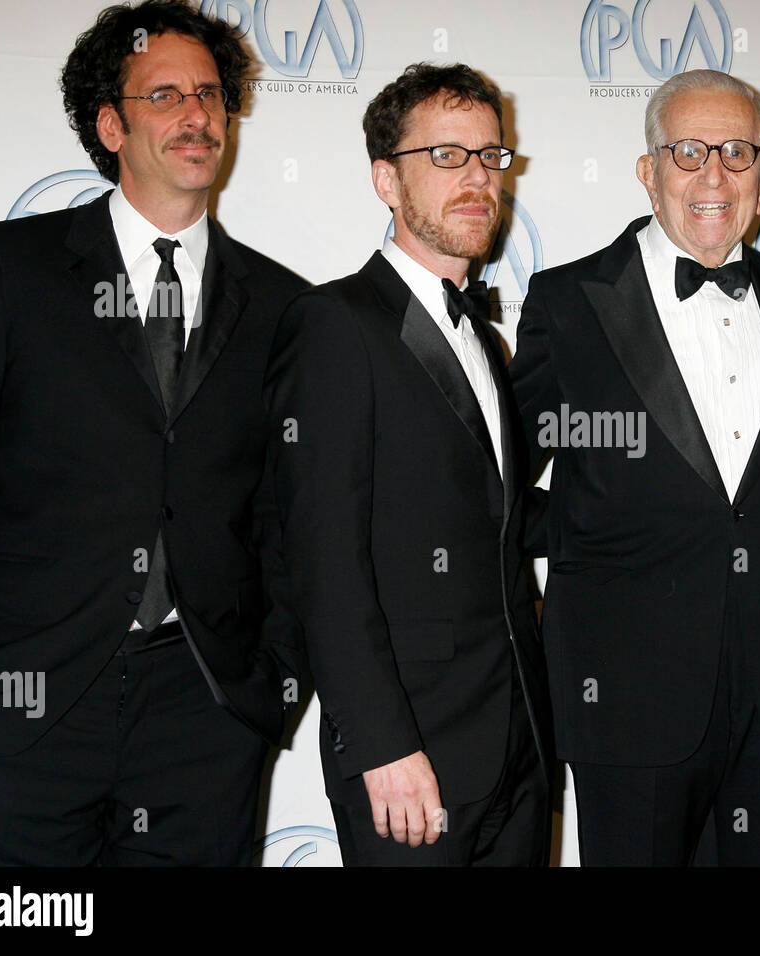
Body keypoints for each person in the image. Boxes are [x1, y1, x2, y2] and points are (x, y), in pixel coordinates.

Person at [0, 0, 308, 865]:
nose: (197, 116)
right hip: (18, 701)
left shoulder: (284, 306)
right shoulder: (7, 268)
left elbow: (290, 519)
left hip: (202, 711)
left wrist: (267, 687)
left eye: (212, 96)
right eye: (165, 95)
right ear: (109, 124)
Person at [509, 69, 760, 866]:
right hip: (624, 697)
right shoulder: (570, 300)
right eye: (687, 151)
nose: (714, 174)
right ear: (648, 170)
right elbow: (498, 481)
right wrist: (590, 530)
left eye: (738, 152)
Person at [266, 63, 553, 866]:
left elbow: (494, 520)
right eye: (447, 156)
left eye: (491, 158)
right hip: (410, 756)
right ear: (386, 180)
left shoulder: (486, 344)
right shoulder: (333, 324)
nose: (477, 179)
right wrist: (381, 744)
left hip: (520, 739)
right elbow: (322, 559)